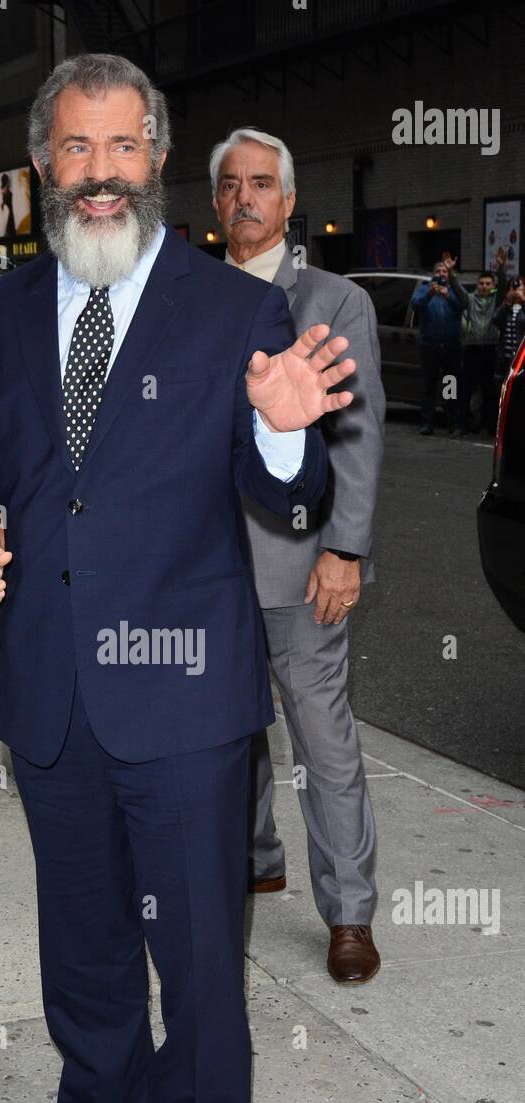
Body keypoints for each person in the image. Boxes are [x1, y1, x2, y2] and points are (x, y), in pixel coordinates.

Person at [0, 53, 357, 1103]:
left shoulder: (231, 313)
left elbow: (299, 495)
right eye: (75, 150)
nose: (99, 176)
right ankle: (103, 1099)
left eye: (122, 149)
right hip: (50, 686)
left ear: (158, 158)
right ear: (43, 165)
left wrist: (278, 435)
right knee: (85, 923)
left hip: (185, 696)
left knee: (202, 940)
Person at [211, 127, 384, 985]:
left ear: (286, 201)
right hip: (204, 571)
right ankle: (255, 857)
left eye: (261, 184)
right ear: (216, 203)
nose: (246, 197)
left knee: (321, 738)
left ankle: (348, 913)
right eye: (231, 184)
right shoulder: (187, 298)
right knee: (228, 730)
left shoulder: (331, 301)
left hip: (297, 564)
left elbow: (355, 436)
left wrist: (343, 549)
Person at [443, 248, 507, 437]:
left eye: (488, 283)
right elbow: (457, 289)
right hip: (471, 348)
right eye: (481, 283)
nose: (484, 286)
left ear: (493, 285)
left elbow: (503, 284)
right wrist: (451, 272)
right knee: (465, 388)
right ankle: (461, 425)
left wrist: (501, 267)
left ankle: (488, 427)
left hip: (489, 348)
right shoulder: (470, 299)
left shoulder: (497, 299)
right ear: (477, 285)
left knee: (489, 391)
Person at [410, 260, 464, 435]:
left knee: (450, 386)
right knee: (428, 386)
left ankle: (453, 424)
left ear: (449, 274)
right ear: (433, 273)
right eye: (438, 270)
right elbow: (415, 305)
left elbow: (463, 305)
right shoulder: (425, 288)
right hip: (429, 346)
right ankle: (427, 424)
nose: (441, 273)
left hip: (451, 346)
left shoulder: (454, 290)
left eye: (445, 271)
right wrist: (430, 295)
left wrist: (448, 295)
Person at [493, 274, 525, 386]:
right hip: (504, 359)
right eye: (512, 287)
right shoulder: (505, 307)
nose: (515, 289)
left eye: (519, 286)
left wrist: (524, 301)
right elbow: (496, 321)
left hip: (522, 360)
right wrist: (507, 302)